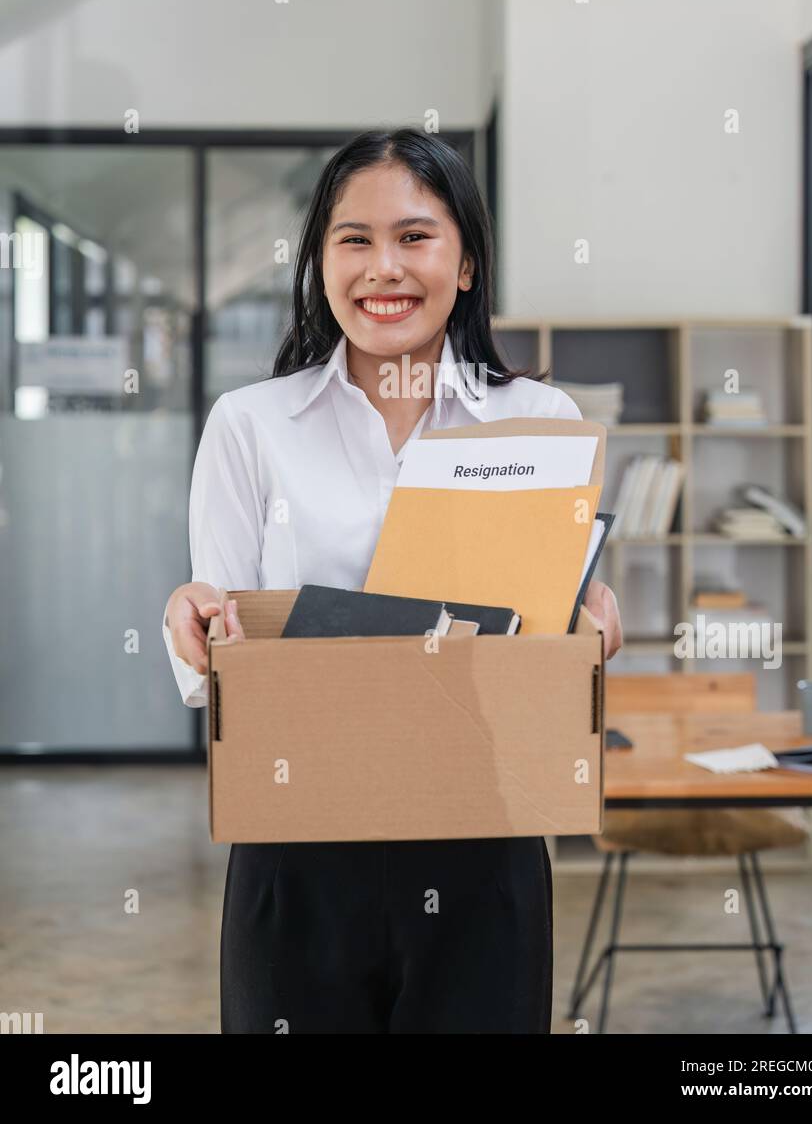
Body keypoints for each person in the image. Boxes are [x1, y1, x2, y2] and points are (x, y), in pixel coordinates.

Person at [164, 127, 622, 1034]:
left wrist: (596, 630)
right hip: (296, 840)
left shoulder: (541, 420)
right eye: (354, 239)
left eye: (415, 237)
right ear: (320, 263)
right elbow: (209, 653)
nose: (384, 268)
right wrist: (193, 615)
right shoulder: (250, 425)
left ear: (466, 264)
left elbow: (556, 640)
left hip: (483, 836)